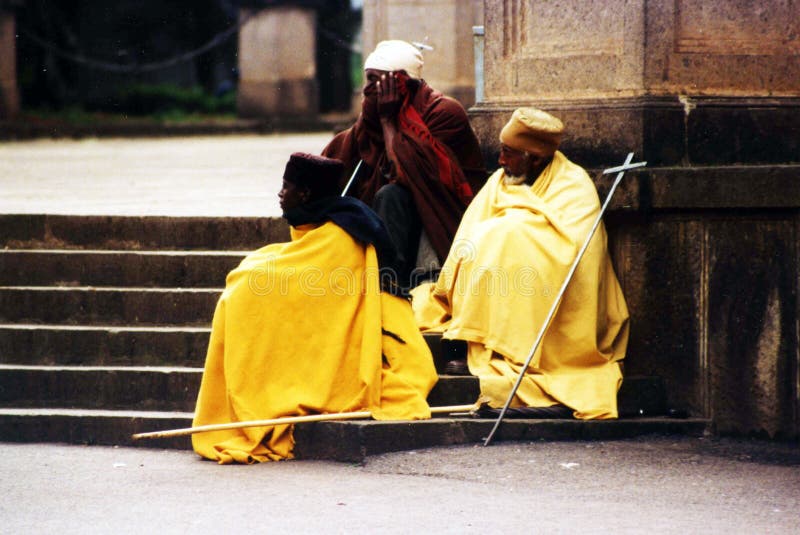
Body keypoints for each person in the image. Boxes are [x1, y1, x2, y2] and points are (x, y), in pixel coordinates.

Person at [192, 153, 438, 464]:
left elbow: (315, 279)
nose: (280, 194)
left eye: (286, 187)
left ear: (305, 194)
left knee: (244, 290)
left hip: (334, 312)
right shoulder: (327, 220)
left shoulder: (341, 233)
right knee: (246, 275)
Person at [412, 108, 630, 419]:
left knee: (507, 235)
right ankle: (471, 339)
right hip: (498, 269)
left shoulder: (574, 184)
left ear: (535, 158)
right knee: (490, 237)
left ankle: (503, 347)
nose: (500, 161)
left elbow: (578, 247)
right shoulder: (501, 180)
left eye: (508, 153)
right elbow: (469, 232)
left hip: (550, 285)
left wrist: (517, 229)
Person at [322, 40, 487, 288]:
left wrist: (389, 120)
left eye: (375, 81)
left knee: (391, 194)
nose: (367, 90)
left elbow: (406, 175)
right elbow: (344, 151)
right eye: (367, 79)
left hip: (440, 216)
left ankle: (388, 286)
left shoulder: (443, 112)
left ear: (401, 84)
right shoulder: (372, 114)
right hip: (394, 220)